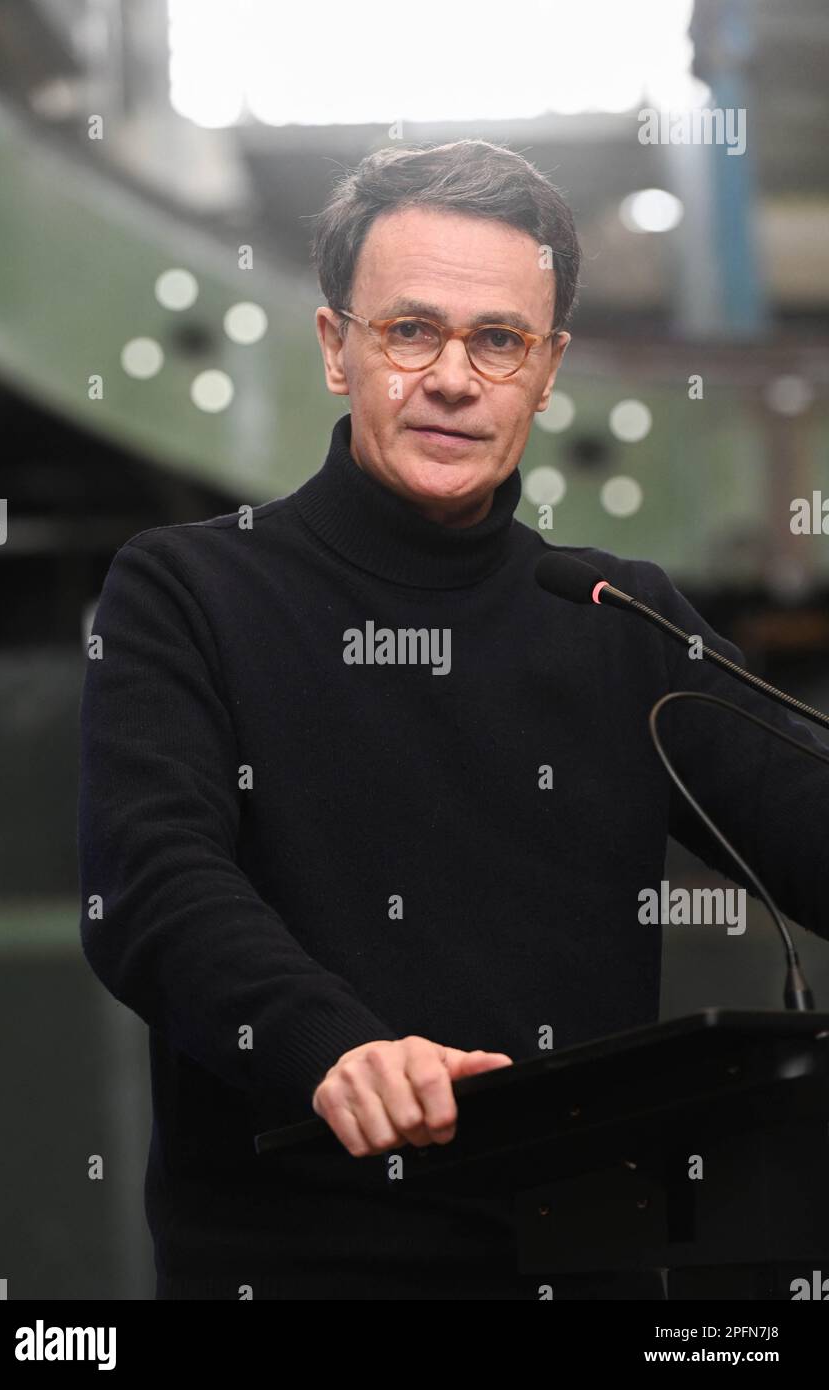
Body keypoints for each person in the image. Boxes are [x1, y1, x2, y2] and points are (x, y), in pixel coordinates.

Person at [77, 139, 829, 1301]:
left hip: (582, 1275)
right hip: (294, 1277)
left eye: (498, 340)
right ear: (337, 347)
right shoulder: (188, 590)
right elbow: (151, 880)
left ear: (547, 368)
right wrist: (333, 1044)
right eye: (410, 330)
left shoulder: (617, 616)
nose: (453, 377)